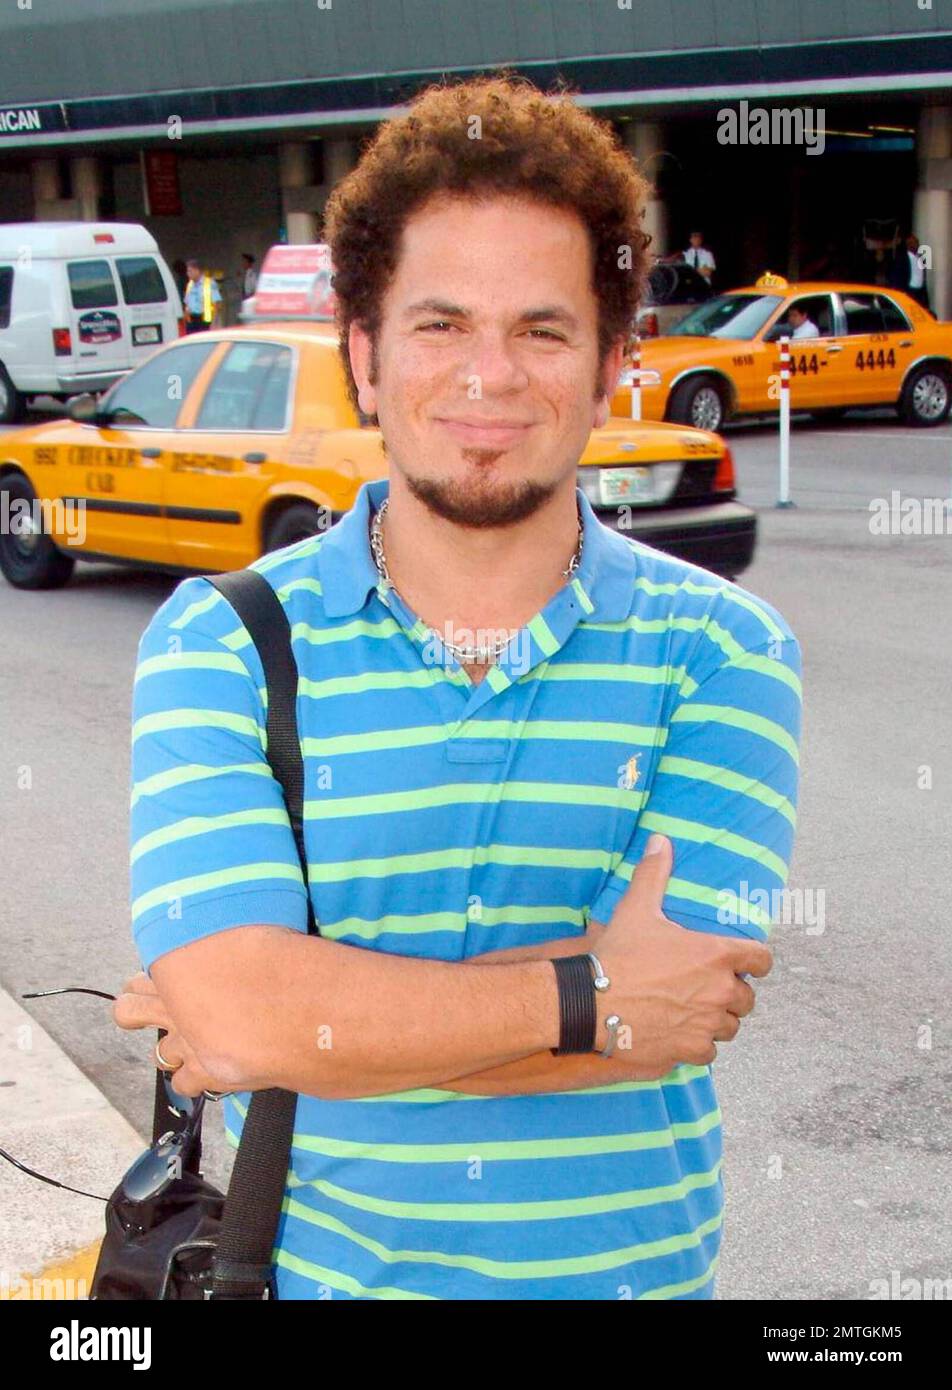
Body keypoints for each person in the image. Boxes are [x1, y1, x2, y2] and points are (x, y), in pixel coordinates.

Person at [116, 76, 801, 1301]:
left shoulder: (727, 648)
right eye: (439, 325)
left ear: (606, 371)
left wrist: (293, 1013)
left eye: (542, 330)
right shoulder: (221, 639)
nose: (488, 377)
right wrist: (594, 995)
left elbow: (683, 1012)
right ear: (365, 360)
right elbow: (243, 1013)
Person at [182, 256, 221, 331]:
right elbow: (187, 303)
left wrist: (214, 322)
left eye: (190, 271)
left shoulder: (209, 283)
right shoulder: (189, 285)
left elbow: (217, 304)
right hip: (191, 320)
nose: (187, 274)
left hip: (205, 321)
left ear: (197, 271)